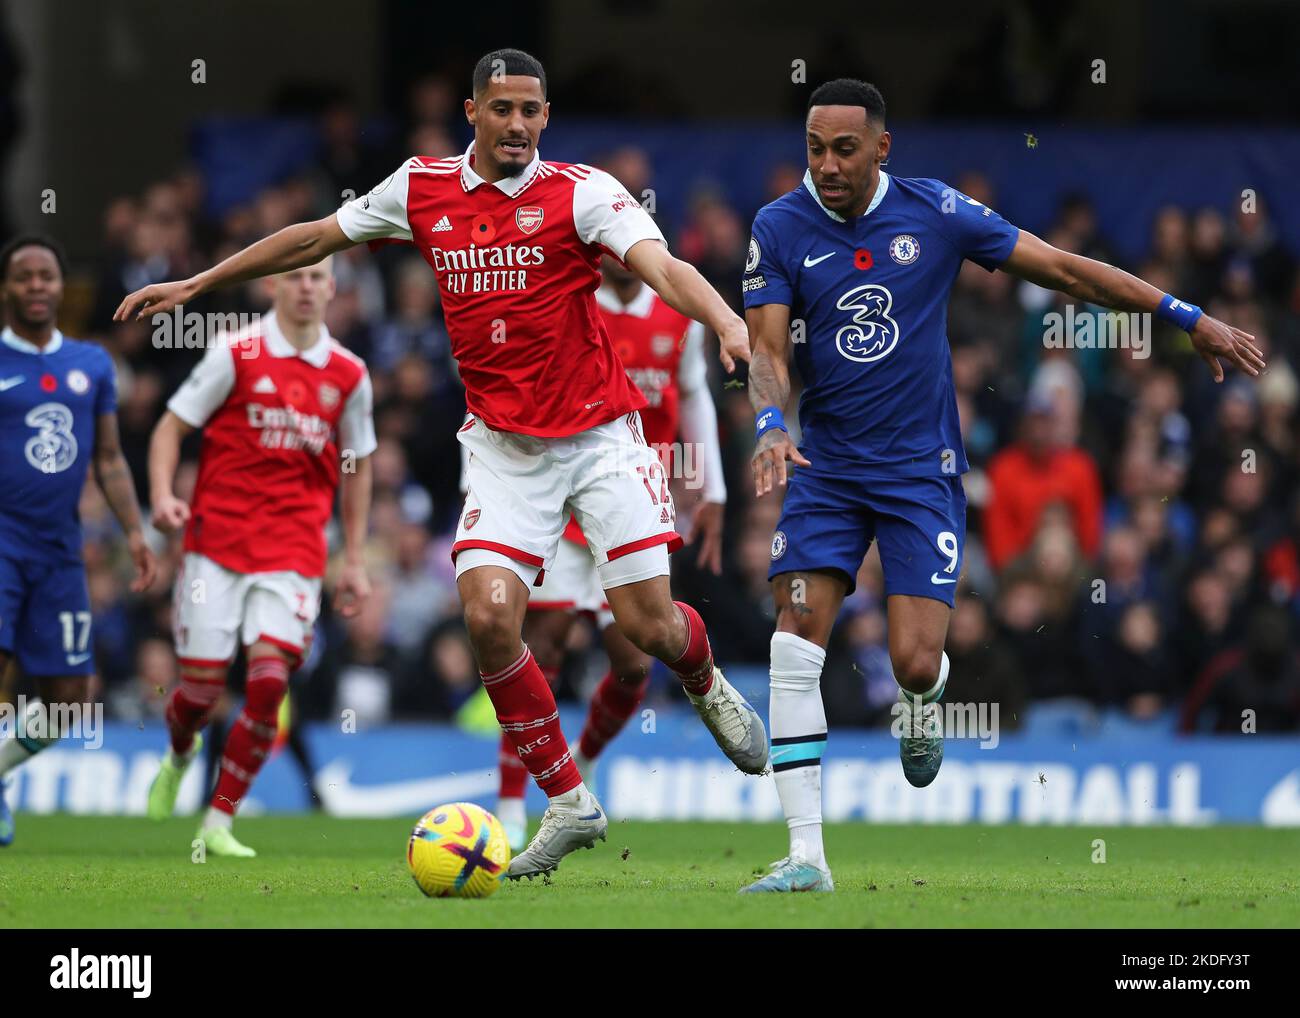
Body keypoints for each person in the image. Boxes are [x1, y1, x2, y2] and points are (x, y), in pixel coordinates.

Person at [115, 48, 768, 880]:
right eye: (503, 109)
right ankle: (568, 801)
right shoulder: (421, 188)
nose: (518, 125)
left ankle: (706, 683)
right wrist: (200, 282)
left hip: (601, 439)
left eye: (531, 110)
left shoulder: (582, 192)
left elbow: (665, 269)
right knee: (490, 619)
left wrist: (726, 322)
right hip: (502, 450)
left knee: (650, 628)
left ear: (545, 117)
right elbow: (317, 235)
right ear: (473, 113)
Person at [741, 78, 1264, 892]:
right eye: (815, 148)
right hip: (828, 467)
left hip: (920, 471)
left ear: (882, 148)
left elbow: (1063, 270)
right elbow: (768, 352)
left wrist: (1185, 316)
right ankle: (807, 857)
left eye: (845, 149)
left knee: (915, 661)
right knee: (794, 637)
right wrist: (773, 424)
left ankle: (923, 701)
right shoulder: (778, 225)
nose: (828, 165)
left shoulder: (936, 211)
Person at [143, 255, 375, 857]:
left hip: (294, 551)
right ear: (273, 284)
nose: (306, 286)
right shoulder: (235, 353)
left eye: (317, 277)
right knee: (199, 696)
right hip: (215, 547)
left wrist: (353, 557)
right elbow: (170, 428)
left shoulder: (349, 374)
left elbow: (357, 466)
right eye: (295, 276)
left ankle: (219, 821)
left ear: (332, 288)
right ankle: (180, 752)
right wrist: (163, 496)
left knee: (269, 684)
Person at [497, 252, 728, 850]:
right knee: (540, 643)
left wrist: (713, 487)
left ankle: (586, 757)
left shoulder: (679, 311)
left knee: (635, 661)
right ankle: (510, 800)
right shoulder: (569, 300)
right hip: (563, 497)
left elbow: (694, 394)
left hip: (633, 499)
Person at [0, 235, 156, 846]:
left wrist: (135, 532)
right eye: (24, 276)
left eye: (47, 275)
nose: (37, 286)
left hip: (60, 551)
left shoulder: (91, 365)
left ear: (62, 287)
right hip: (3, 542)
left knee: (70, 700)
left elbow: (109, 458)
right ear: (7, 289)